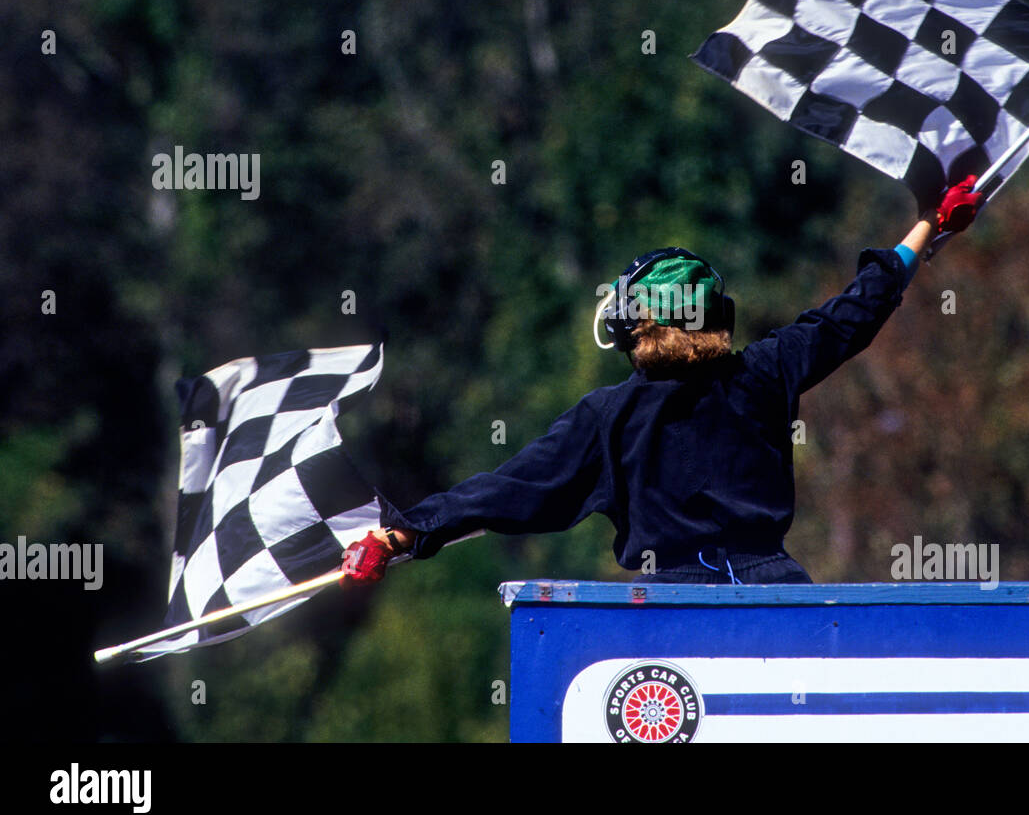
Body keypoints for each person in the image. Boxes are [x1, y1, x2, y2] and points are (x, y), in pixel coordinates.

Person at [342, 177, 985, 587]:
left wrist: (400, 534)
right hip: (776, 593)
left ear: (631, 325)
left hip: (674, 608)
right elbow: (852, 313)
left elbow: (506, 491)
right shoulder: (765, 369)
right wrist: (931, 226)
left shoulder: (606, 417)